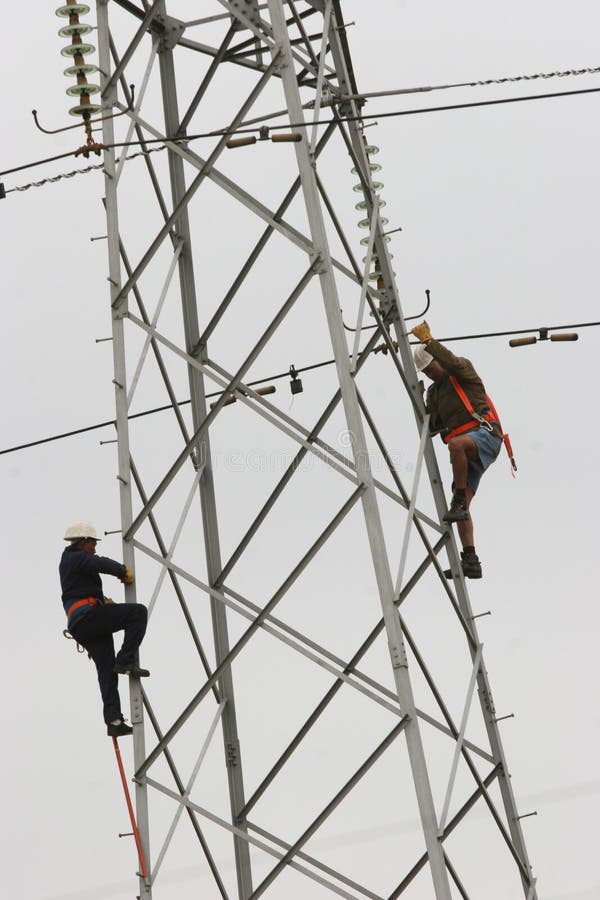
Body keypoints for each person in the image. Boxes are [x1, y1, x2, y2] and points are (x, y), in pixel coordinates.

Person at [412, 321, 504, 579]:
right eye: (426, 372)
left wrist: (429, 342)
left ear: (437, 359)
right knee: (462, 510)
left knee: (457, 452)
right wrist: (421, 402)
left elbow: (450, 362)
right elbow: (432, 428)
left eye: (431, 368)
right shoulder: (435, 392)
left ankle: (459, 500)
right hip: (464, 453)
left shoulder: (462, 370)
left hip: (485, 436)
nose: (430, 375)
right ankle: (471, 560)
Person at [59, 521, 149, 736]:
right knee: (138, 613)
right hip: (88, 619)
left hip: (85, 624)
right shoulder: (74, 556)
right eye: (93, 544)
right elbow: (99, 563)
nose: (95, 548)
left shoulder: (72, 563)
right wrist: (121, 571)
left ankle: (114, 721)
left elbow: (82, 589)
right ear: (84, 542)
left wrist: (101, 601)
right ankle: (126, 659)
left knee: (107, 671)